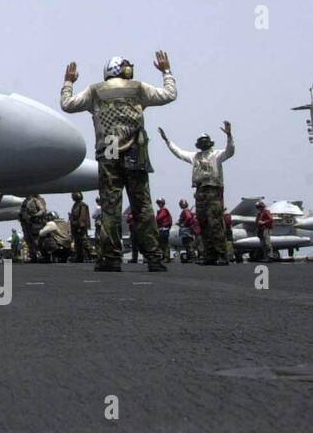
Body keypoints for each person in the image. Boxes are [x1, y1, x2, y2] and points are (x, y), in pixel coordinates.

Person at [61, 52, 177, 272]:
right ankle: (154, 258)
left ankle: (110, 258)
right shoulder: (138, 87)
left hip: (110, 147)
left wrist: (69, 82)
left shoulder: (95, 90)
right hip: (135, 148)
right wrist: (166, 72)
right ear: (121, 69)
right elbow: (170, 94)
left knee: (110, 206)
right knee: (142, 205)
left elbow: (67, 104)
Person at [158, 122, 234, 266]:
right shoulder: (195, 157)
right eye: (201, 141)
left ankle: (221, 255)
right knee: (203, 224)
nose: (203, 143)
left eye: (205, 140)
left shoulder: (217, 155)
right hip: (200, 192)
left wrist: (229, 136)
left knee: (215, 224)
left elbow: (230, 151)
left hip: (213, 190)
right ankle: (209, 255)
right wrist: (167, 141)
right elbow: (179, 153)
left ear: (209, 142)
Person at [18, 194, 47, 261]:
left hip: (34, 224)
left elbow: (42, 211)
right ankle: (33, 256)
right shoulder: (25, 201)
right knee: (28, 240)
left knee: (36, 241)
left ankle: (41, 255)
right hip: (26, 224)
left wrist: (34, 216)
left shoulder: (36, 200)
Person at [68, 192, 91, 263]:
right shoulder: (75, 205)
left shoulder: (82, 205)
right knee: (77, 243)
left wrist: (80, 226)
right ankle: (79, 257)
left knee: (84, 242)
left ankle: (90, 256)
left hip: (80, 227)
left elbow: (82, 217)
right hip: (75, 227)